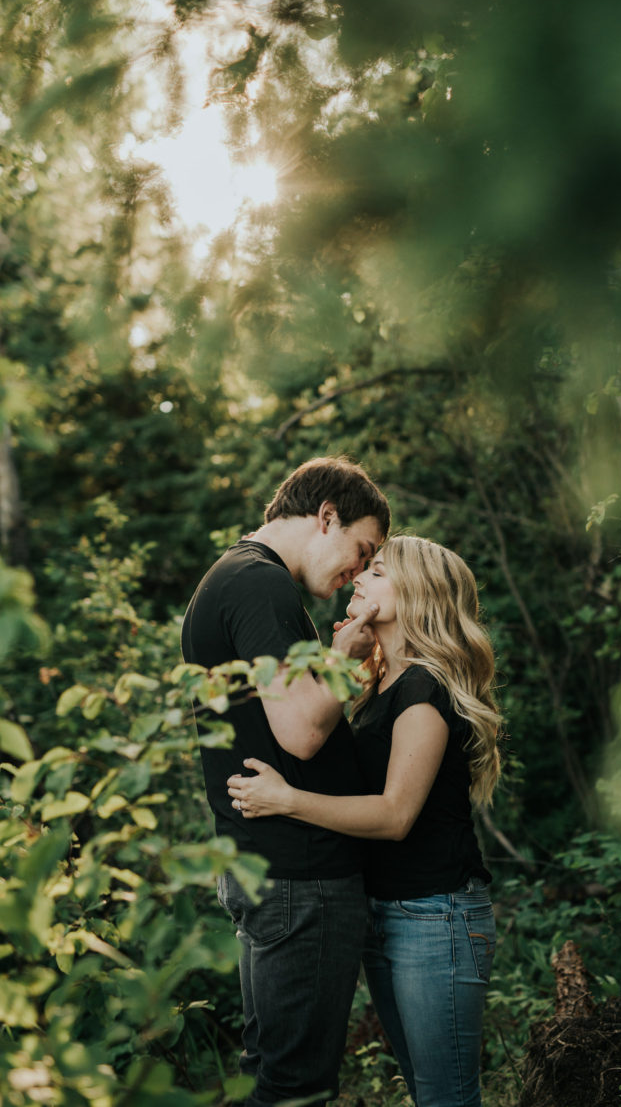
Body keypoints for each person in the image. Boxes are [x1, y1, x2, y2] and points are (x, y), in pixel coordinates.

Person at [227, 534, 503, 1107]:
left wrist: (286, 800)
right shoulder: (381, 687)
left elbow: (394, 815)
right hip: (387, 911)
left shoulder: (423, 692)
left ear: (417, 593)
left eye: (377, 571)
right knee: (425, 1087)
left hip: (435, 915)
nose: (358, 577)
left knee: (445, 1097)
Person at [180, 456, 390, 1107]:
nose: (359, 569)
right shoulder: (260, 585)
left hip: (273, 867)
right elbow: (299, 729)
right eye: (362, 548)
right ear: (326, 515)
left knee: (270, 1075)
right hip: (301, 875)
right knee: (295, 1089)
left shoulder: (236, 577)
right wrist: (347, 654)